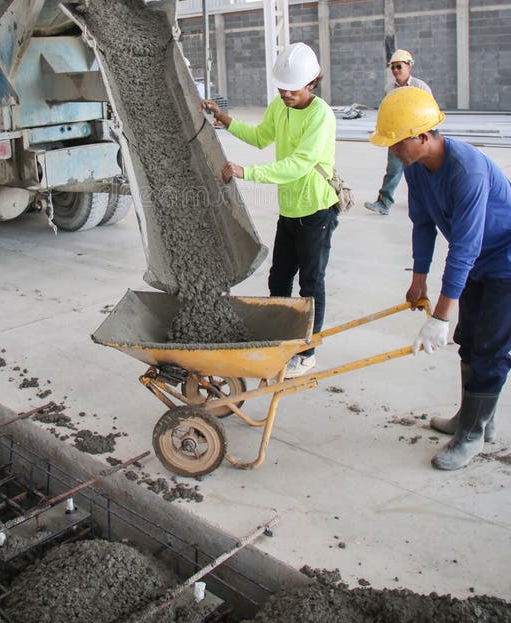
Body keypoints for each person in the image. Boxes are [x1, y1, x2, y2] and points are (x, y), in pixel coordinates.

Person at [369, 87, 511, 470]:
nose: (393, 151)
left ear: (422, 136)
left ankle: (472, 436)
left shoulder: (468, 170)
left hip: (505, 261)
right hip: (479, 263)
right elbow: (423, 224)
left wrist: (441, 317)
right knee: (469, 341)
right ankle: (478, 419)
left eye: (397, 143)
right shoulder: (417, 170)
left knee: (491, 348)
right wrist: (419, 278)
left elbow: (463, 249)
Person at [202, 42, 339, 378]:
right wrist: (225, 119)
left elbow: (298, 165)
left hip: (317, 211)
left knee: (311, 282)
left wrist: (247, 173)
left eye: (291, 90)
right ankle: (282, 340)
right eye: (281, 88)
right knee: (279, 278)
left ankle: (307, 352)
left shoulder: (321, 116)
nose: (284, 94)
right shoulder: (281, 106)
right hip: (290, 210)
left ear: (311, 84)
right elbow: (261, 136)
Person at [365, 49, 432, 216]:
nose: (395, 71)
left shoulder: (420, 87)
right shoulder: (390, 88)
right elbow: (388, 112)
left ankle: (426, 201)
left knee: (420, 173)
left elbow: (429, 112)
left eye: (399, 67)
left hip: (416, 139)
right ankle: (384, 202)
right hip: (397, 138)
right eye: (393, 67)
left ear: (409, 67)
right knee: (393, 170)